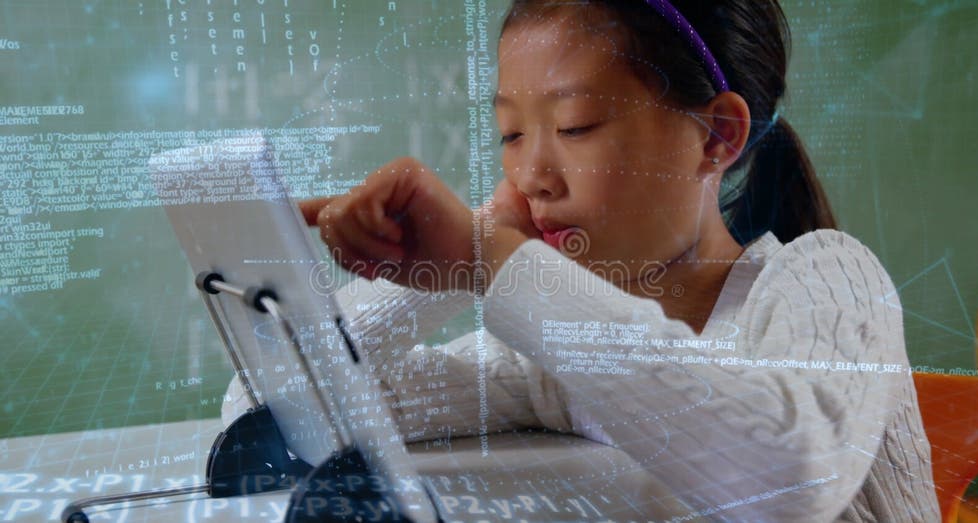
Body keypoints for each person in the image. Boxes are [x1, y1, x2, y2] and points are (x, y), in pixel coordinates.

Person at [224, 0, 940, 520]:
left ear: (716, 136)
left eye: (576, 127)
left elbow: (788, 474)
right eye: (510, 134)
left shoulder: (830, 278)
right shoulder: (560, 361)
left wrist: (488, 258)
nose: (533, 175)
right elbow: (278, 408)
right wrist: (446, 268)